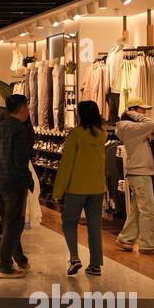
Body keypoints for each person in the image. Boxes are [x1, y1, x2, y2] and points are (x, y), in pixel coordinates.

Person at [53, 100, 108, 276]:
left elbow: (67, 164)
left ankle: (75, 257)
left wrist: (58, 191)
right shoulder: (102, 134)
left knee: (69, 222)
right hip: (97, 187)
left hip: (77, 186)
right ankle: (95, 265)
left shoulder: (76, 134)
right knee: (94, 226)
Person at [0, 94, 33, 277]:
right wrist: (28, 180)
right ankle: (4, 266)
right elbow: (20, 161)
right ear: (21, 109)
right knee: (13, 225)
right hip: (14, 184)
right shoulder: (19, 130)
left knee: (9, 224)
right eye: (27, 108)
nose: (28, 111)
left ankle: (21, 259)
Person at [115, 97, 154, 254]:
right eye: (142, 109)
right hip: (139, 172)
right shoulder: (130, 127)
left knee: (137, 209)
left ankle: (125, 238)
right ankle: (148, 244)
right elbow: (150, 123)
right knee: (148, 209)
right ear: (134, 110)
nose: (145, 112)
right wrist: (132, 114)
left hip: (139, 171)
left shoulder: (129, 128)